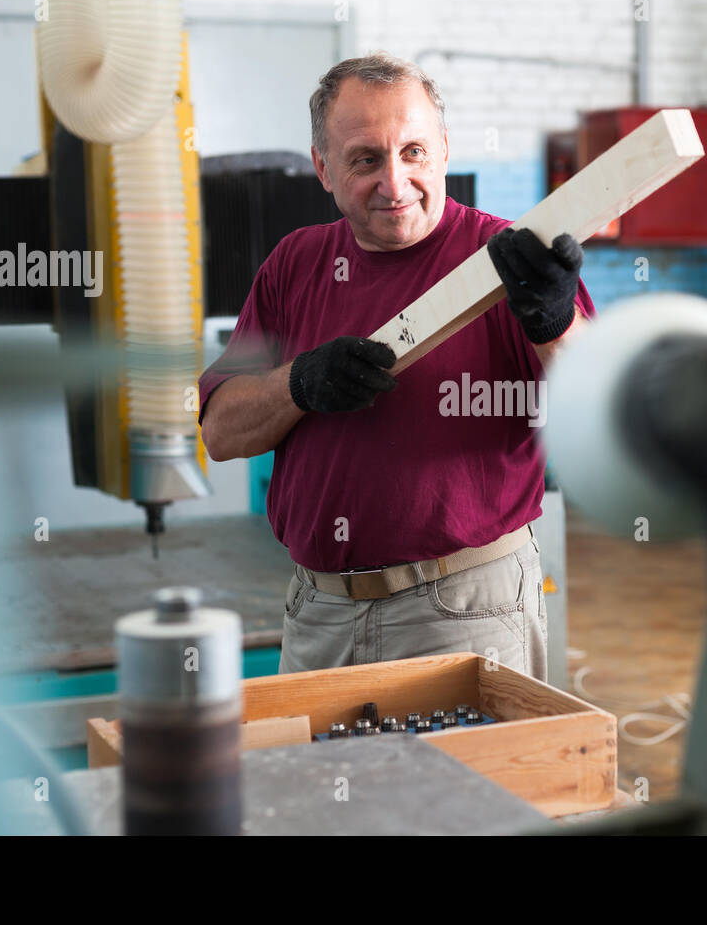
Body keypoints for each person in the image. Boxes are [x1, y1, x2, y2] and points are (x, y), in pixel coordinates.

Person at [198, 53, 594, 680]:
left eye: (412, 151)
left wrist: (551, 321)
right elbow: (220, 432)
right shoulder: (293, 265)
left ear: (442, 150)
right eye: (365, 159)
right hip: (319, 610)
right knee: (321, 777)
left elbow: (597, 416)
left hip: (465, 608)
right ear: (322, 169)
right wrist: (298, 383)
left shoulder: (512, 260)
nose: (394, 182)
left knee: (467, 782)